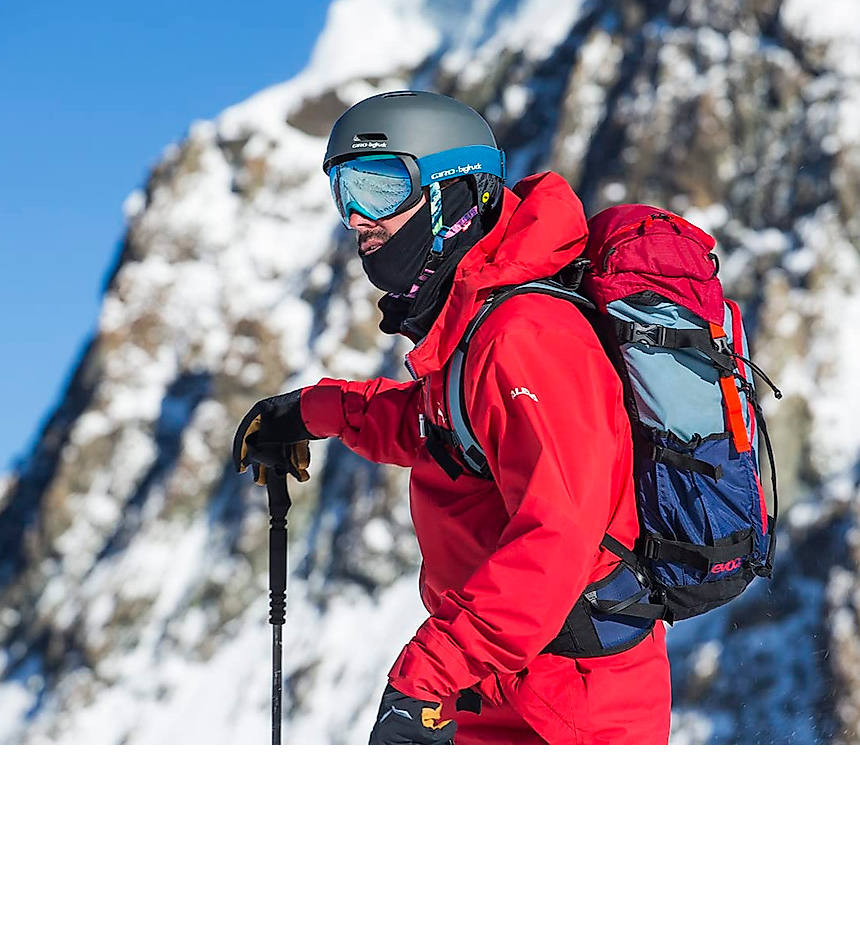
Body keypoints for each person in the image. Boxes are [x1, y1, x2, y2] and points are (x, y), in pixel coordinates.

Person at [233, 91, 671, 744]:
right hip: (506, 685)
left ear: (454, 195)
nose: (358, 217)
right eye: (344, 191)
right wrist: (313, 412)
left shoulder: (525, 337)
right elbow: (442, 428)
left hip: (566, 712)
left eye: (382, 187)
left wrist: (428, 677)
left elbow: (556, 538)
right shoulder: (479, 323)